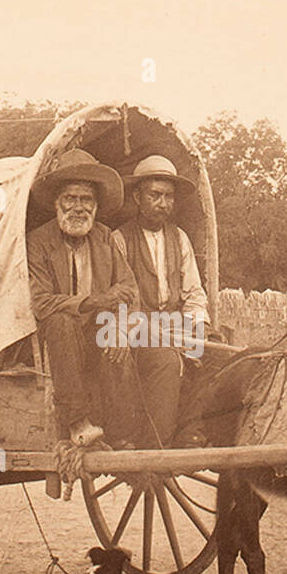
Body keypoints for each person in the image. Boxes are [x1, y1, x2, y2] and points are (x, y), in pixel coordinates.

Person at [26, 149, 139, 446]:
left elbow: (129, 291)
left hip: (96, 331)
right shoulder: (38, 242)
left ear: (96, 205)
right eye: (70, 199)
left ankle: (121, 435)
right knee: (61, 320)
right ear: (56, 203)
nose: (78, 208)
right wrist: (95, 302)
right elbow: (42, 302)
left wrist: (119, 328)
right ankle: (77, 422)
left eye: (86, 200)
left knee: (114, 336)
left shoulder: (104, 237)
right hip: (57, 342)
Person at [112, 155, 213, 447]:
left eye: (168, 196)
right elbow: (120, 298)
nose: (163, 203)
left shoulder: (179, 238)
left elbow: (194, 291)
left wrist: (197, 326)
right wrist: (155, 332)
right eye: (154, 195)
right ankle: (156, 445)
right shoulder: (120, 239)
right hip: (134, 330)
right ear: (137, 197)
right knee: (166, 362)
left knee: (215, 353)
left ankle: (193, 428)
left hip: (175, 325)